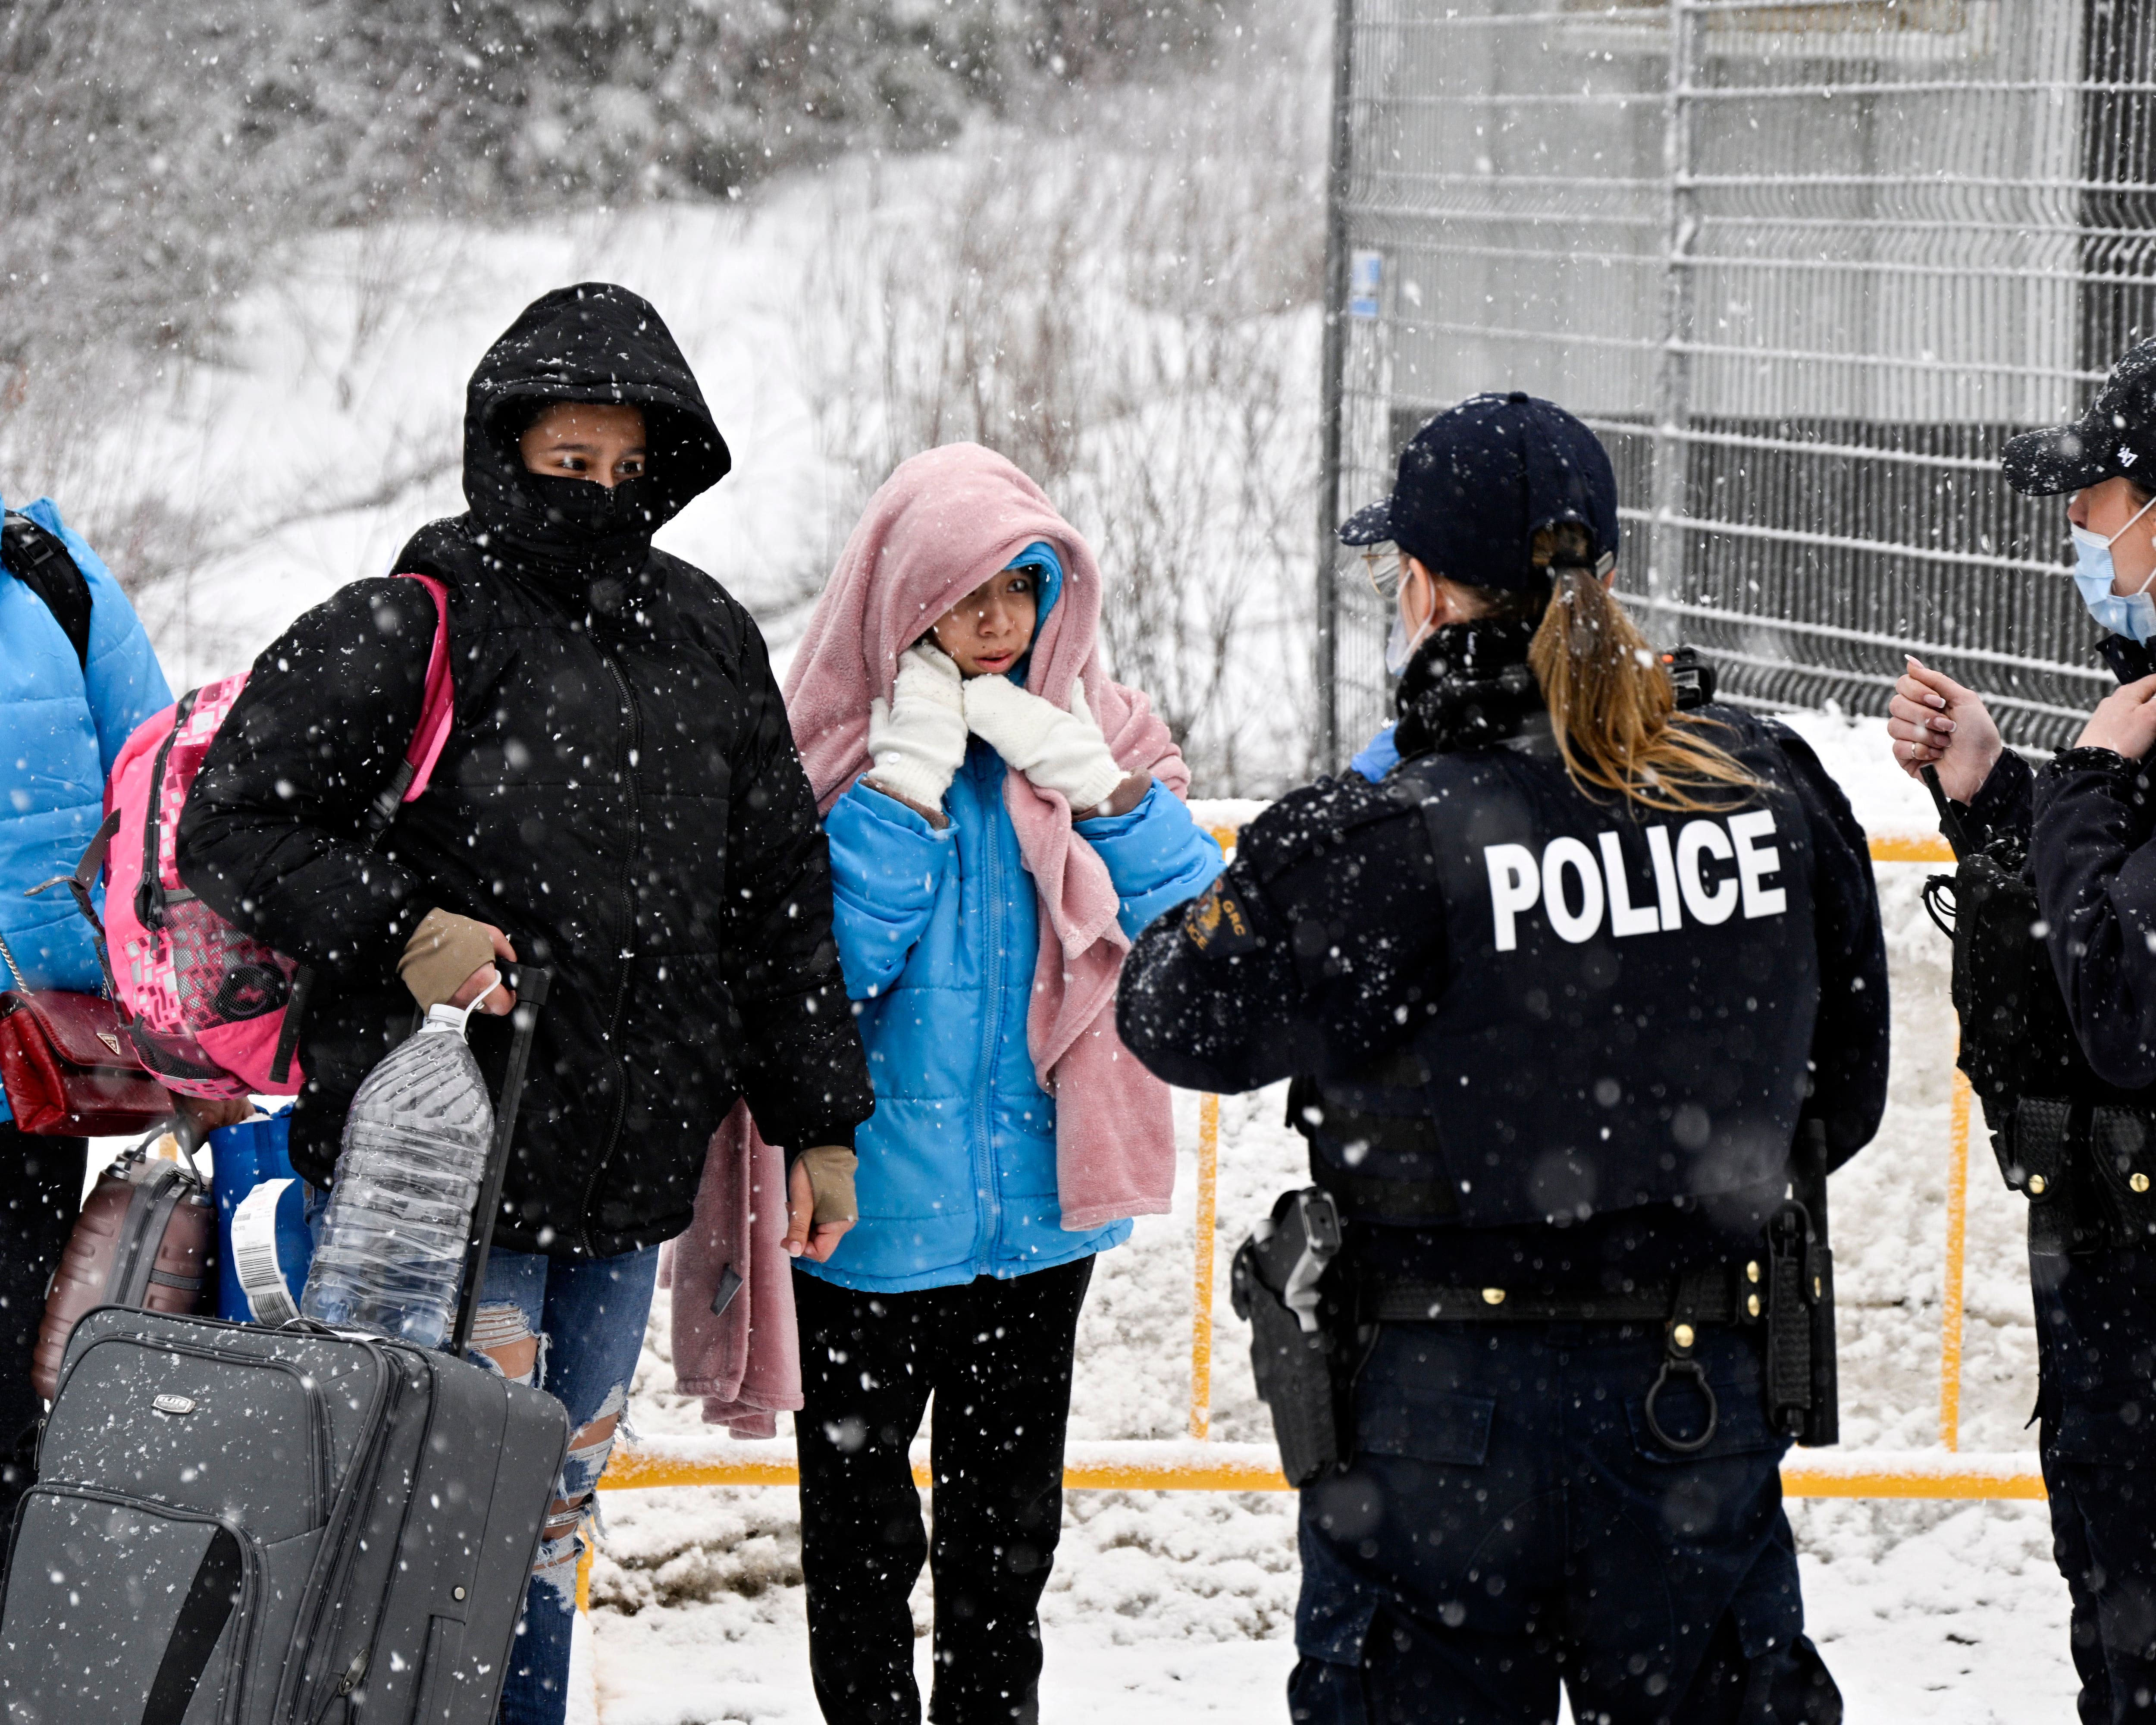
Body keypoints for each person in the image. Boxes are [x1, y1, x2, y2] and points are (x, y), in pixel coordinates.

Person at [1117, 393, 1890, 1725]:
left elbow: (1174, 1012)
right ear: (1610, 577)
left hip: (1439, 1427)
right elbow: (1846, 1092)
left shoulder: (1385, 838)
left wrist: (1325, 836)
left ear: (1422, 590)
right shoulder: (1765, 786)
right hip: (1691, 1400)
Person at [175, 282, 874, 1725]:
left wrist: (820, 1122)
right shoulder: (409, 623)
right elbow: (230, 825)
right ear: (505, 452)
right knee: (414, 1524)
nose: (600, 492)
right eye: (569, 461)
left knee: (551, 1522)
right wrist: (403, 928)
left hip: (625, 1185)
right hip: (434, 1180)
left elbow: (776, 899)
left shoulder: (705, 637)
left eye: (627, 465)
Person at [779, 442, 1223, 1724]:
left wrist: (1091, 777)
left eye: (1021, 587)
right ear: (901, 594)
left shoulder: (1104, 726)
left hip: (1036, 1220)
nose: (996, 621)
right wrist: (905, 789)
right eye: (964, 593)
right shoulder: (833, 750)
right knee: (861, 1549)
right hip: (865, 1226)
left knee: (1007, 1547)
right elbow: (830, 971)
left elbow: (1193, 921)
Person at [1887, 337, 2156, 1724]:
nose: (2077, 530)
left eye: (2097, 499)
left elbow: (2121, 1001)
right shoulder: (2136, 719)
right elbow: (2064, 965)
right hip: (2111, 1295)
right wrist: (1995, 799)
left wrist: (2087, 785)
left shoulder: (2127, 746)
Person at [0, 496, 171, 1534]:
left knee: (12, 1401)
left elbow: (161, 813)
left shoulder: (49, 578)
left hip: (24, 1087)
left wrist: (199, 1037)